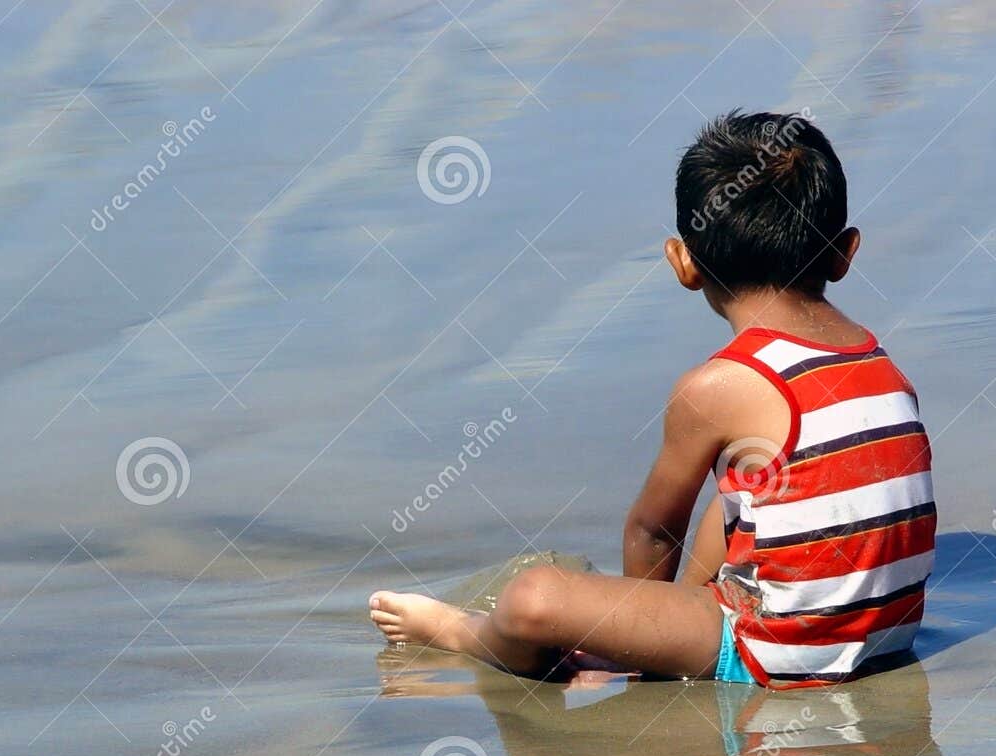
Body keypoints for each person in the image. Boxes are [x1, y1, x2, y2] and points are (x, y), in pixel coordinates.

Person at [370, 110, 935, 688]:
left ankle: (464, 633)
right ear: (844, 252)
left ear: (683, 262)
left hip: (776, 648)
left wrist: (640, 636)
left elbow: (653, 532)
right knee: (750, 482)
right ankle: (685, 620)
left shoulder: (718, 387)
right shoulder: (882, 367)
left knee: (533, 599)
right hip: (884, 638)